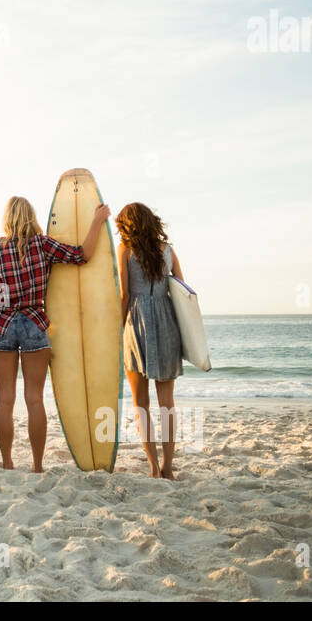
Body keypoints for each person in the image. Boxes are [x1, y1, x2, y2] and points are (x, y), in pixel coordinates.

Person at [0, 196, 109, 472]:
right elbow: (81, 255)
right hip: (35, 321)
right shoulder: (42, 244)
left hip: (2, 324)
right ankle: (37, 466)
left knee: (5, 399)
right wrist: (97, 221)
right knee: (34, 398)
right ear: (30, 216)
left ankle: (7, 462)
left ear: (7, 218)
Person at [116, 202, 185, 479]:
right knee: (167, 402)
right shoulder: (167, 251)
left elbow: (124, 295)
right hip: (166, 320)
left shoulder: (125, 250)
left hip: (137, 324)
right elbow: (182, 290)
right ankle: (168, 467)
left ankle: (153, 467)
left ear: (127, 226)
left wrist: (118, 331)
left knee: (140, 402)